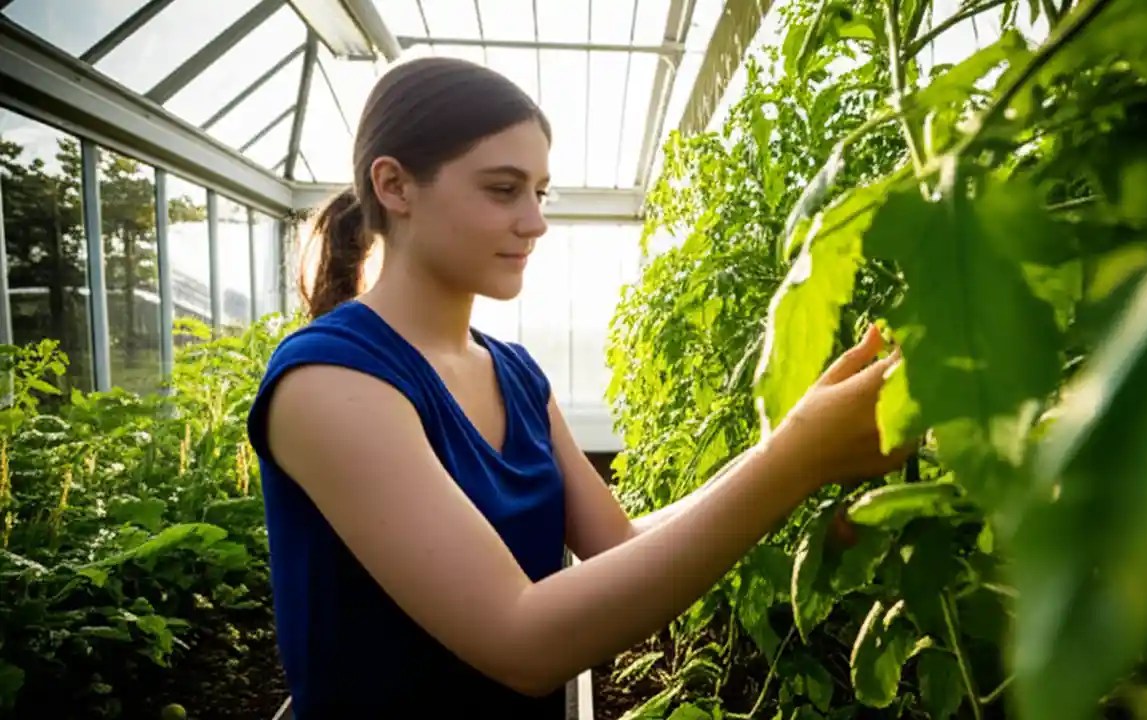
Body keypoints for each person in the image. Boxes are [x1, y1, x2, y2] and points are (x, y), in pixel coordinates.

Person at [246, 56, 911, 719]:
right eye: (503, 189)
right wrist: (794, 457)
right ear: (394, 185)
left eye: (540, 192)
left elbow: (619, 545)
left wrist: (794, 446)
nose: (535, 222)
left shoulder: (515, 374)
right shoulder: (330, 381)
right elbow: (522, 640)